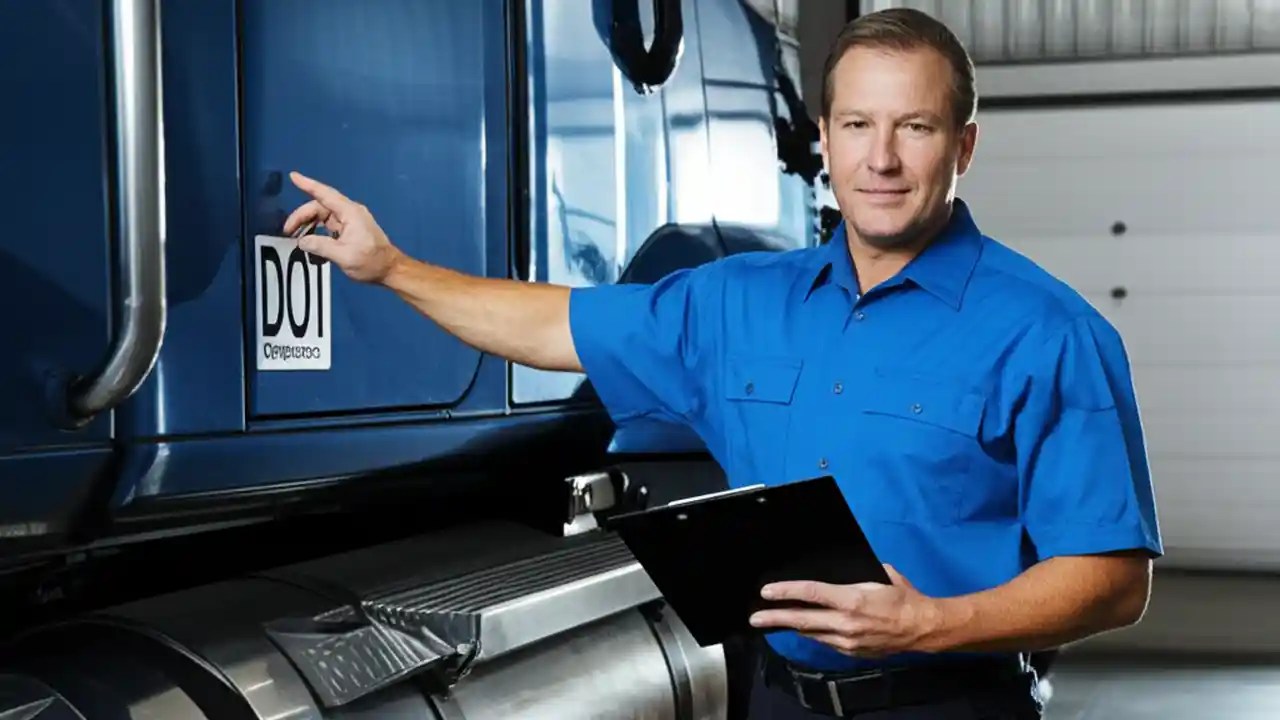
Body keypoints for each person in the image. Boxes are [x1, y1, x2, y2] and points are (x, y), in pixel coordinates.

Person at [282, 8, 1161, 718]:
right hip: (772, 696)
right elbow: (551, 326)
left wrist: (932, 623)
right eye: (857, 124)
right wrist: (391, 268)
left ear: (963, 147)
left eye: (915, 127)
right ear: (824, 138)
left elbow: (1115, 581)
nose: (881, 157)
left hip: (947, 701)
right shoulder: (733, 302)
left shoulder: (1050, 332)